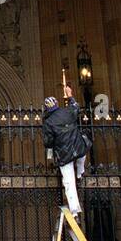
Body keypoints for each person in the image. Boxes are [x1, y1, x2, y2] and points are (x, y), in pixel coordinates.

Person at [42, 85, 92, 216]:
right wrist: (70, 95)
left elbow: (47, 142)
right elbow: (76, 107)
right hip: (78, 147)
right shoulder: (67, 112)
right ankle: (80, 173)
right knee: (82, 155)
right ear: (57, 104)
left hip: (64, 154)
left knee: (68, 181)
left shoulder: (48, 122)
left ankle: (74, 211)